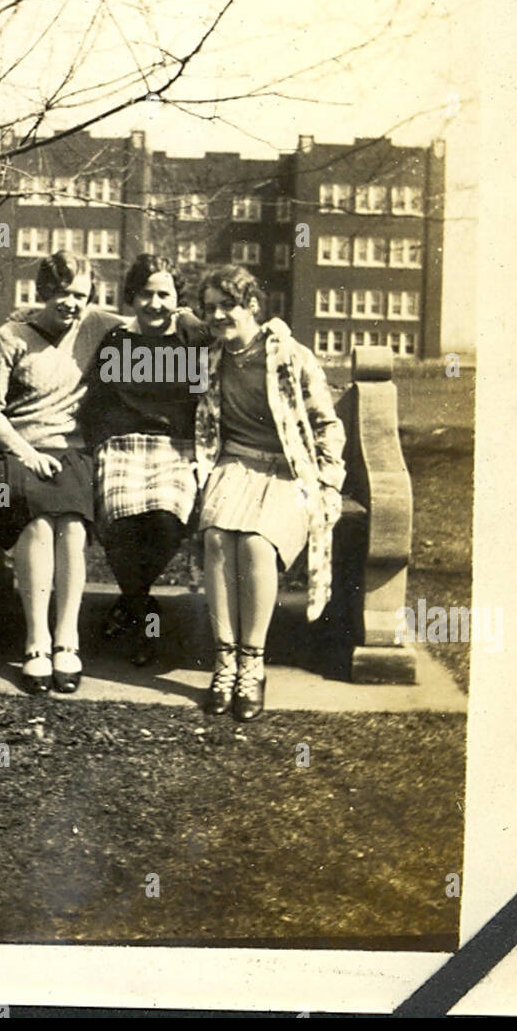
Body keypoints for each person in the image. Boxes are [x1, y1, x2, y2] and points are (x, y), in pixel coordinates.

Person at [194, 265, 346, 722]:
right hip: (234, 464)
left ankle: (252, 665)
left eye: (229, 305)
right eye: (211, 307)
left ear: (253, 306)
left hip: (288, 471)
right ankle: (224, 662)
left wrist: (329, 482)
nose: (220, 315)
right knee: (218, 538)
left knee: (258, 544)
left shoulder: (290, 355)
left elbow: (326, 423)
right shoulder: (211, 357)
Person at [0, 250, 122, 694]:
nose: (71, 303)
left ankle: (67, 640)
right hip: (13, 452)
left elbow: (156, 321)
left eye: (79, 294)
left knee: (72, 529)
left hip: (69, 452)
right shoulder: (11, 336)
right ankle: (36, 640)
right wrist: (25, 452)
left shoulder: (96, 327)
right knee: (38, 526)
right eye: (60, 293)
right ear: (43, 292)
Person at [80, 253, 208, 665]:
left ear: (178, 298)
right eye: (146, 294)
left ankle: (133, 606)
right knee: (119, 519)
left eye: (165, 295)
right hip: (121, 446)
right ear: (132, 297)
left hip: (176, 449)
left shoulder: (192, 339)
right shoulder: (117, 341)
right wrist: (101, 445)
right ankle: (145, 613)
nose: (155, 304)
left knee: (166, 519)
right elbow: (96, 404)